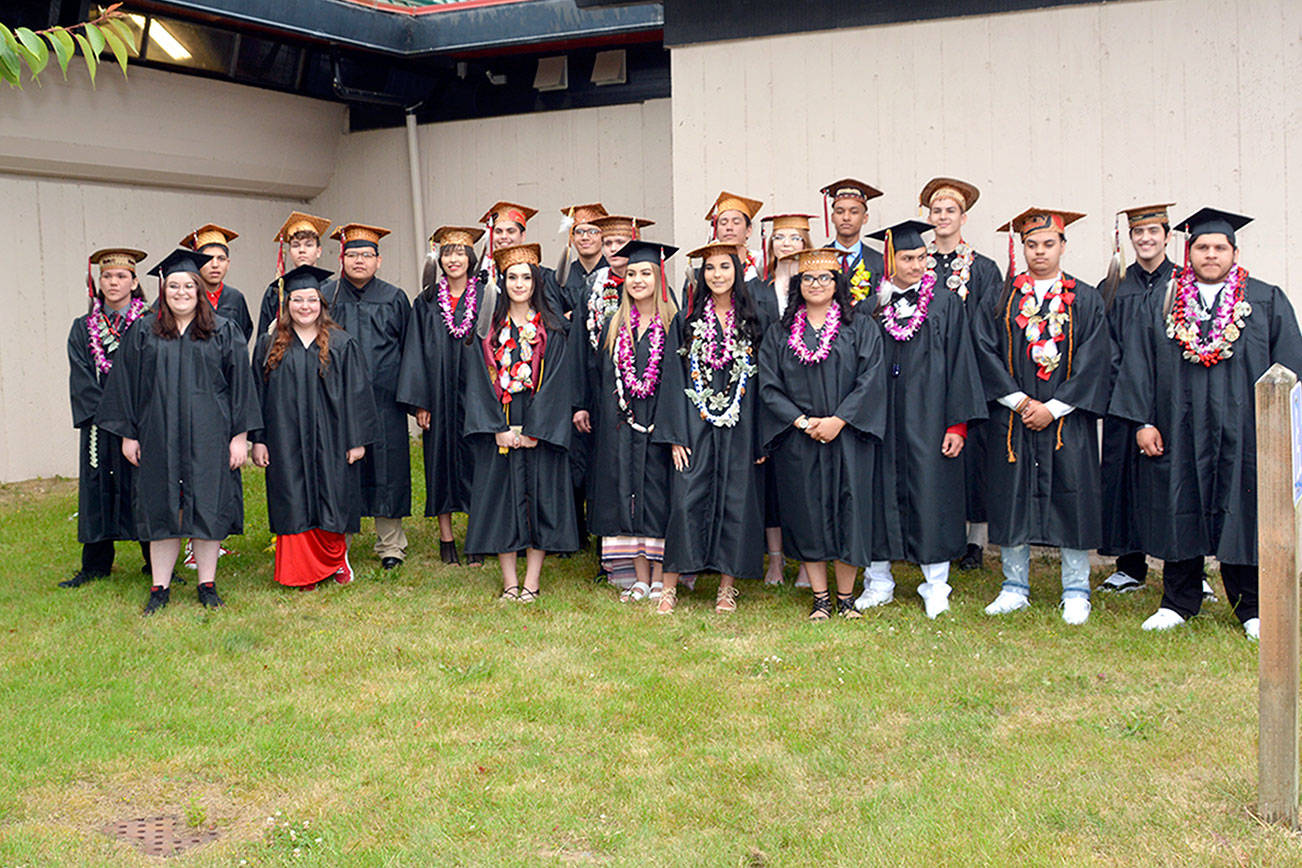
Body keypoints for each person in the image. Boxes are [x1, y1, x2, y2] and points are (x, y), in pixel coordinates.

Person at [1110, 208, 1302, 639]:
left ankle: (1249, 607)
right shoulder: (1163, 301)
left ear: (1234, 252)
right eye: (1202, 247)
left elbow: (1289, 367)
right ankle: (1178, 601)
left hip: (1246, 431)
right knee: (1179, 506)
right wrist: (1142, 421)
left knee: (1242, 511)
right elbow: (1138, 364)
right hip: (1178, 426)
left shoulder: (1265, 299)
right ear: (1188, 250)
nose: (1210, 255)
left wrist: (1277, 429)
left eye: (1219, 248)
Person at [96, 248, 261, 615]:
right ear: (163, 289)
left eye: (189, 285)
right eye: (174, 285)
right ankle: (160, 586)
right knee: (161, 508)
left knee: (208, 507)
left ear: (200, 289)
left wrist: (239, 437)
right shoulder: (144, 331)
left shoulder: (223, 330)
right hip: (158, 433)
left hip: (211, 434)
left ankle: (207, 583)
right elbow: (126, 385)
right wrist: (129, 434)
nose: (182, 291)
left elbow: (241, 386)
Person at [972, 208, 1111, 625]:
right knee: (1012, 499)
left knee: (1074, 497)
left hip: (1068, 421)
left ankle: (1076, 589)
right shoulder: (1000, 298)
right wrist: (1019, 402)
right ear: (1022, 247)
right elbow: (983, 351)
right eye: (1031, 245)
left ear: (1063, 246)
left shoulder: (1085, 298)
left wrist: (1052, 408)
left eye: (1048, 244)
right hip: (1014, 419)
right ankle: (1014, 586)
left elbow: (1095, 358)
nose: (1040, 252)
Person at [856, 220, 987, 619]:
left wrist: (957, 424)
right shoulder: (870, 307)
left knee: (932, 493)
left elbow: (962, 362)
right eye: (907, 258)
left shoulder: (945, 303)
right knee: (877, 495)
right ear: (890, 260)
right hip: (880, 417)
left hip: (929, 416)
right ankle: (878, 581)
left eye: (921, 258)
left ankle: (936, 584)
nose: (916, 265)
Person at [759, 248, 887, 620]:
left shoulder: (860, 328)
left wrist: (840, 420)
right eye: (809, 278)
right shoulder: (779, 333)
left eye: (825, 278)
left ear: (837, 284)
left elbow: (871, 379)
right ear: (798, 285)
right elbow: (769, 386)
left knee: (852, 513)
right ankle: (820, 599)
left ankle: (846, 598)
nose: (816, 284)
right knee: (807, 513)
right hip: (799, 439)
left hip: (849, 437)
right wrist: (801, 422)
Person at [654, 242, 766, 614]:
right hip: (695, 425)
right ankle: (670, 584)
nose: (717, 274)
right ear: (701, 275)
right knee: (685, 501)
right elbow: (673, 380)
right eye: (710, 268)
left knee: (735, 501)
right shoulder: (686, 324)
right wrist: (674, 436)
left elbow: (763, 383)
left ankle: (726, 587)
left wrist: (761, 436)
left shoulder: (752, 323)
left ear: (737, 272)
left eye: (725, 267)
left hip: (739, 428)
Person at [463, 243, 578, 602]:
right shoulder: (487, 330)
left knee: (540, 501)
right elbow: (478, 378)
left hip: (537, 427)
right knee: (501, 502)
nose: (519, 284)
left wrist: (535, 431)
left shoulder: (552, 330)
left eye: (526, 277)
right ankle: (509, 582)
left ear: (536, 282)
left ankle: (532, 582)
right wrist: (497, 427)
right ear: (501, 281)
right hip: (499, 423)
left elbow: (559, 380)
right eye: (512, 277)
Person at [251, 264, 378, 590]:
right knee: (291, 497)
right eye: (297, 300)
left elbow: (358, 393)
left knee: (333, 496)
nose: (304, 306)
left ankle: (336, 561)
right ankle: (302, 571)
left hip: (333, 437)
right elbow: (257, 395)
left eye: (311, 299)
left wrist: (358, 440)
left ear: (322, 304)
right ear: (286, 303)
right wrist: (259, 439)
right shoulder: (270, 345)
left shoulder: (341, 343)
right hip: (284, 439)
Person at [584, 240, 678, 601]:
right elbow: (605, 378)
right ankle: (639, 576)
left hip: (658, 423)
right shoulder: (614, 324)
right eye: (632, 273)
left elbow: (676, 380)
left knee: (657, 496)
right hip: (622, 425)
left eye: (646, 273)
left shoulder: (673, 322)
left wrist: (668, 427)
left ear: (659, 277)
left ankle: (660, 575)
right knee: (628, 497)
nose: (637, 280)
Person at [919, 177, 1005, 570]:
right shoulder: (916, 264)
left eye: (950, 210)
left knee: (974, 461)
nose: (943, 217)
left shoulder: (984, 268)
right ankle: (938, 531)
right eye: (936, 211)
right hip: (927, 376)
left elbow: (993, 325)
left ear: (963, 217)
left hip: (974, 371)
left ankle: (975, 541)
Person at [1093, 202, 1176, 595]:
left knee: (1174, 484)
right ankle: (1130, 566)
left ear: (1167, 236)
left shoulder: (1183, 284)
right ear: (1129, 239)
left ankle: (1186, 567)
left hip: (1174, 403)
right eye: (1138, 233)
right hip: (1122, 403)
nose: (1145, 239)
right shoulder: (1113, 288)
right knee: (1123, 481)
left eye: (1153, 232)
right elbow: (1101, 351)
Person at [63, 247, 154, 588]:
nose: (113, 282)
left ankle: (155, 563)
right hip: (99, 424)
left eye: (121, 276)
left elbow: (153, 376)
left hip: (140, 423)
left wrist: (135, 416)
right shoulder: (83, 328)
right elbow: (83, 377)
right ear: (98, 282)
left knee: (145, 488)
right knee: (97, 486)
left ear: (134, 281)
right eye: (107, 276)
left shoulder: (149, 323)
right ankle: (95, 565)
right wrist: (108, 415)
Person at [395, 225, 487, 566]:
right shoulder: (427, 301)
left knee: (479, 462)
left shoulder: (487, 294)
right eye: (447, 253)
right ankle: (446, 538)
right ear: (439, 258)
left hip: (477, 394)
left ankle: (477, 537)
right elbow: (415, 350)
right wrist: (420, 401)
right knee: (439, 462)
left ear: (470, 258)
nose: (453, 259)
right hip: (437, 393)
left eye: (460, 252)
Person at [326, 223, 413, 569]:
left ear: (379, 260)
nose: (359, 261)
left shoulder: (394, 298)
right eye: (352, 255)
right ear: (341, 258)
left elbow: (411, 350)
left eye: (366, 255)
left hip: (384, 401)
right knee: (341, 469)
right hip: (338, 401)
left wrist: (410, 399)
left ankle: (391, 545)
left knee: (388, 468)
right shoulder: (325, 295)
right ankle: (338, 541)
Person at [755, 212, 816, 586]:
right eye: (781, 238)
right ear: (771, 245)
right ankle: (775, 562)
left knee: (807, 483)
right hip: (767, 392)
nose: (788, 244)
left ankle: (810, 562)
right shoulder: (755, 289)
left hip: (811, 393)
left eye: (796, 238)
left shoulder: (815, 285)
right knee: (773, 484)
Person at [257, 211, 332, 336]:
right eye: (296, 245)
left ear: (319, 251)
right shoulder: (276, 291)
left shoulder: (332, 289)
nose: (302, 250)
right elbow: (264, 336)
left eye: (308, 245)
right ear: (290, 252)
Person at [180, 223, 254, 343]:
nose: (215, 265)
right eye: (208, 259)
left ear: (228, 263)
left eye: (221, 259)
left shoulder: (236, 298)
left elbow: (243, 335)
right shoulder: (185, 296)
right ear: (196, 263)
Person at [819, 178, 885, 305]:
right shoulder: (819, 258)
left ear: (865, 218)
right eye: (840, 212)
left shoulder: (879, 262)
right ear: (832, 217)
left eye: (854, 212)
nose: (846, 217)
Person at [556, 203, 609, 316]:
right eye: (579, 232)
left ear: (603, 237)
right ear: (572, 238)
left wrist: (573, 316)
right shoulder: (563, 277)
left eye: (593, 232)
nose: (585, 237)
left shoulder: (612, 274)